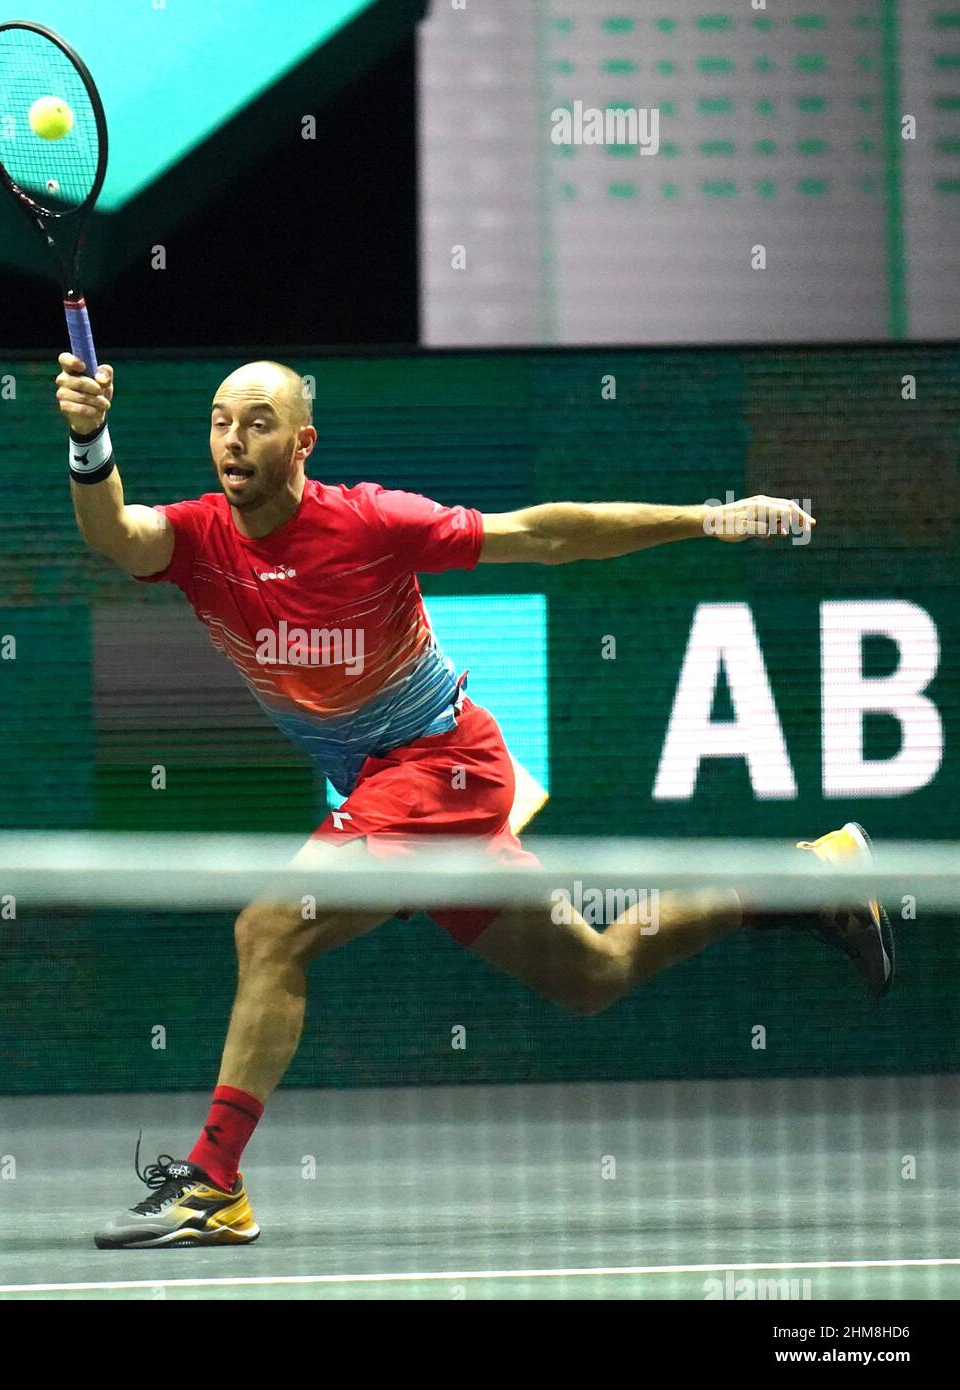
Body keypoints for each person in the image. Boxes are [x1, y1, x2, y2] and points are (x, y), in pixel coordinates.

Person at [54, 353, 894, 1250]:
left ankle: (214, 1183)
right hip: (399, 792)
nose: (234, 440)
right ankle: (806, 878)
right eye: (221, 422)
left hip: (440, 769)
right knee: (593, 975)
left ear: (302, 442)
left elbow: (545, 534)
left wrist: (706, 517)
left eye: (259, 423)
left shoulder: (370, 521)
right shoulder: (200, 541)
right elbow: (117, 534)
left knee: (271, 928)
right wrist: (89, 436)